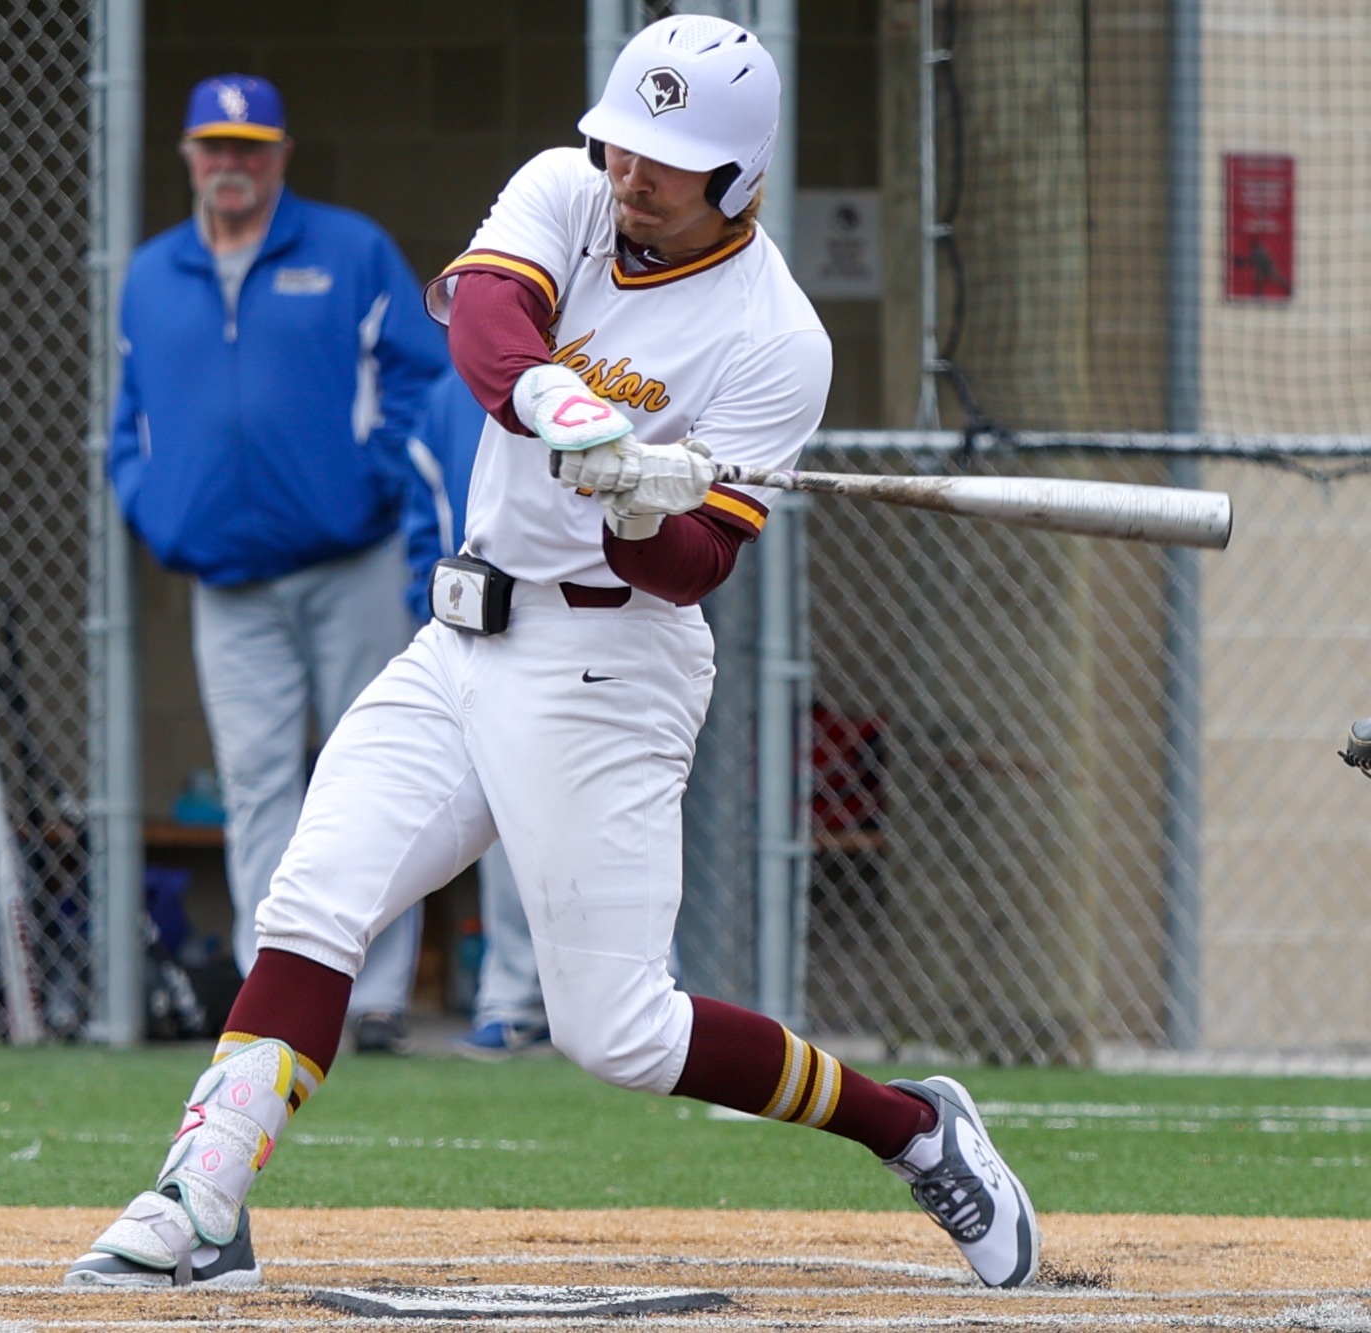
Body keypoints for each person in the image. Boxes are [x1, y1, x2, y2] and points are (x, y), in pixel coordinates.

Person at [65, 15, 1040, 1293]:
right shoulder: (564, 190)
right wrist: (561, 406)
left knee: (618, 1030)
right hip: (458, 637)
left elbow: (694, 565)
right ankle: (204, 1199)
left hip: (606, 670)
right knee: (310, 900)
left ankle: (912, 1126)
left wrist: (636, 501)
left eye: (664, 160)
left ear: (734, 177)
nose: (629, 175)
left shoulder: (775, 340)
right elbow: (484, 321)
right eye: (623, 142)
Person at [106, 75, 447, 1053]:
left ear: (281, 156)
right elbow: (127, 417)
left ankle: (374, 993)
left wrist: (369, 484)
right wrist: (153, 506)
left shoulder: (346, 249)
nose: (231, 165)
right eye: (214, 147)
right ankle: (283, 996)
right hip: (225, 578)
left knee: (373, 770)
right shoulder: (150, 272)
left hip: (350, 560)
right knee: (256, 784)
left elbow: (421, 381)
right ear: (186, 156)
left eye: (250, 148)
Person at [401, 368, 549, 1060]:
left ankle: (646, 993)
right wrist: (426, 592)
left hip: (592, 629)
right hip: (482, 621)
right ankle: (513, 1000)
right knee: (501, 806)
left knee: (612, 814)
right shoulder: (453, 385)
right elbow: (423, 499)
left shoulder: (613, 356)